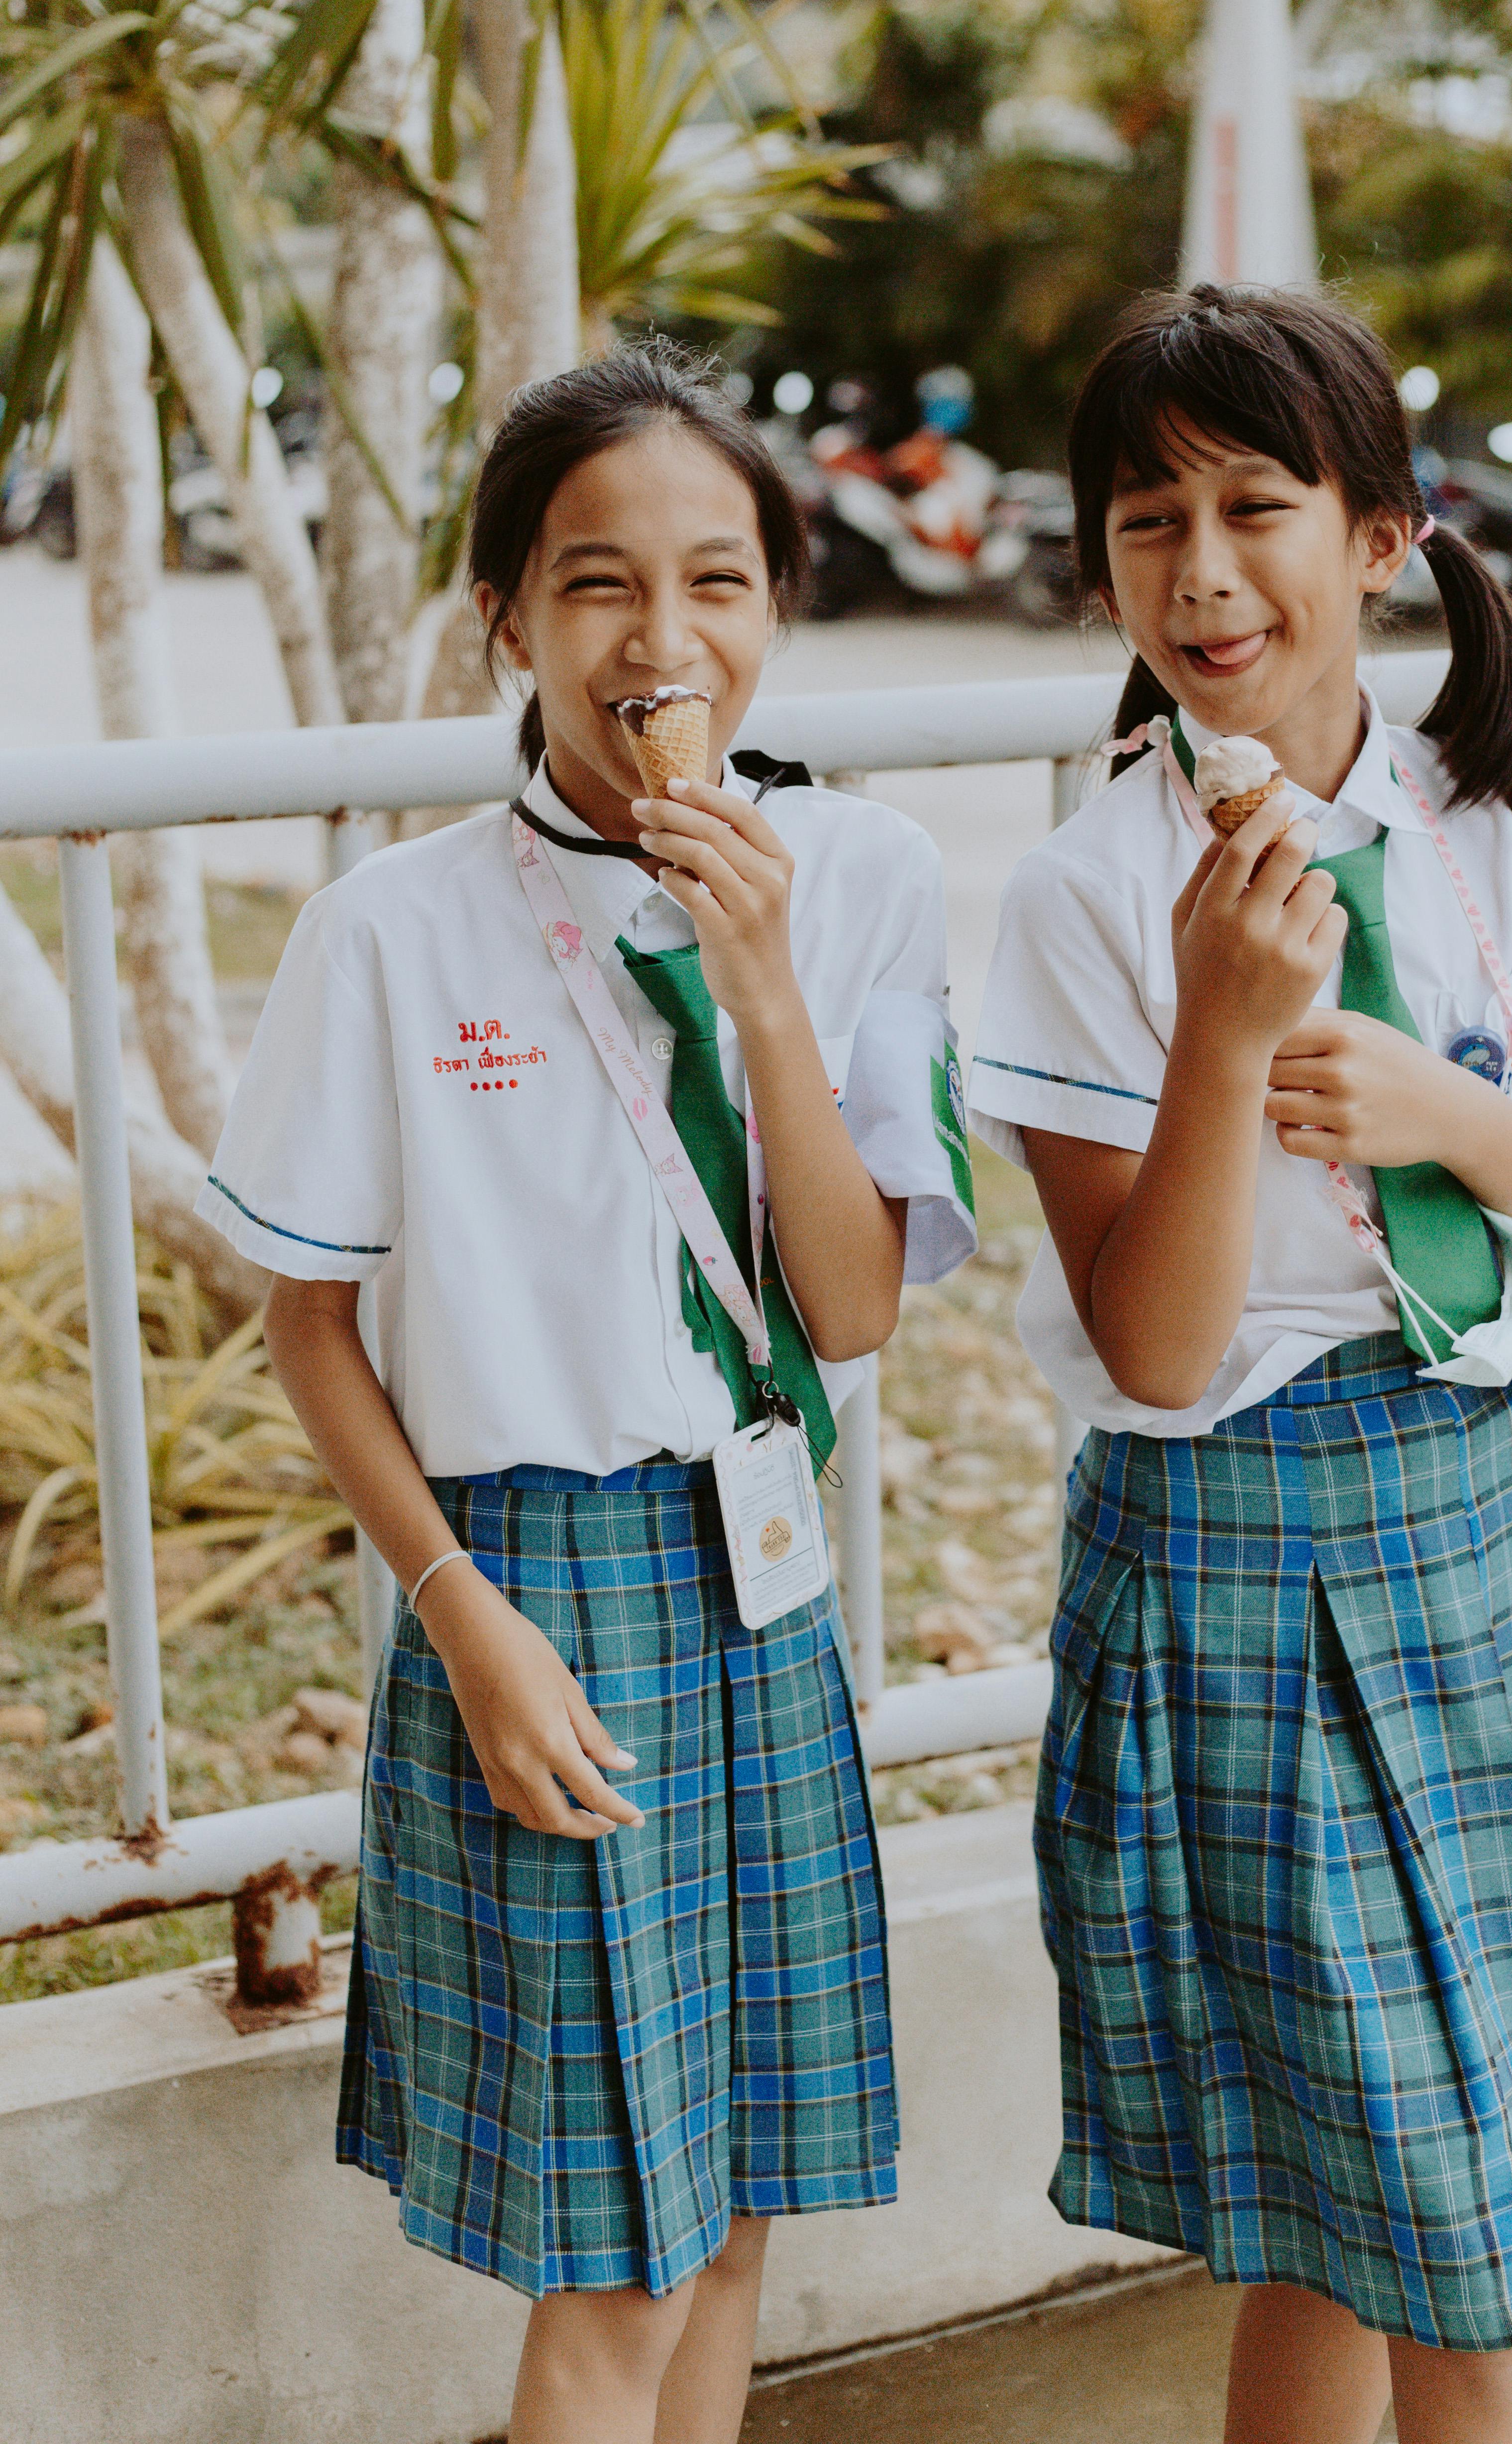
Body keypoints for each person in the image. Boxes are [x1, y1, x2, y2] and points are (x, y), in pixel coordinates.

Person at [198, 343, 975, 2444]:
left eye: (718, 579)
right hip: (535, 1584)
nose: (662, 640)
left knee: (734, 2212)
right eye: (598, 582)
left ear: (778, 603)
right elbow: (308, 1320)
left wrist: (763, 982)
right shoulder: (391, 930)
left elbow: (850, 1309)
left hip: (762, 1576)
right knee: (622, 2252)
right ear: (507, 617)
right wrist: (462, 1613)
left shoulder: (867, 878)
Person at [968, 283, 1512, 2444]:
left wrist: (1448, 1114)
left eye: (1254, 507)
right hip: (1233, 1566)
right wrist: (1223, 1037)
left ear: (1381, 536)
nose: (1200, 571)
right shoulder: (1089, 893)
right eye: (1147, 521)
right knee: (1446, 2231)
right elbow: (1157, 1345)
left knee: (1377, 2200)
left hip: (1493, 1544)